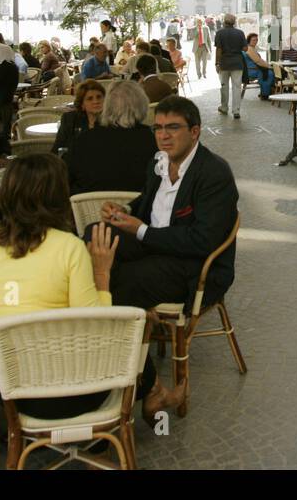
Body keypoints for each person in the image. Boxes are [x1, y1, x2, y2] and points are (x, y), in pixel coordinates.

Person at [0, 153, 181, 423]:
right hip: (78, 391)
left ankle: (153, 393)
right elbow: (96, 327)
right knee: (132, 330)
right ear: (58, 195)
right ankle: (154, 394)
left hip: (12, 395)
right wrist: (102, 272)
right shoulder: (69, 247)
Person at [90, 96, 239, 343]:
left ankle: (123, 353)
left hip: (193, 264)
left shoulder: (213, 173)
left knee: (124, 279)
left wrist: (141, 231)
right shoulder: (159, 162)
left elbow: (203, 241)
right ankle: (129, 324)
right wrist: (124, 209)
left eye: (172, 127)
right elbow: (148, 200)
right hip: (155, 245)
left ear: (194, 132)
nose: (163, 135)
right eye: (158, 128)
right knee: (96, 235)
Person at [67, 81, 158, 194]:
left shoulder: (83, 140)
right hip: (139, 209)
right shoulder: (153, 139)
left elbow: (68, 179)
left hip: (89, 209)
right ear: (142, 105)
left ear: (107, 106)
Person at [52, 79, 105, 157]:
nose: (96, 101)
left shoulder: (112, 121)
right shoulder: (70, 119)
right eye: (90, 98)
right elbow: (57, 149)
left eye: (99, 97)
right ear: (82, 105)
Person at [214, 13, 248, 120]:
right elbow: (245, 49)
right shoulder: (240, 33)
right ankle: (236, 110)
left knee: (224, 86)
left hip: (224, 63)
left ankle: (224, 107)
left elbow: (218, 49)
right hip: (237, 63)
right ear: (234, 22)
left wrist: (217, 63)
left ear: (224, 21)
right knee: (237, 87)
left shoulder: (219, 33)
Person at [242, 33, 275, 100]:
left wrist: (267, 65)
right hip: (251, 71)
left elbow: (259, 60)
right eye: (253, 40)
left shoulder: (251, 48)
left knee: (268, 71)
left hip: (253, 69)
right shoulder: (249, 49)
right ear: (249, 40)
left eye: (256, 40)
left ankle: (265, 92)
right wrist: (269, 66)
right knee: (269, 73)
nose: (255, 41)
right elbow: (258, 61)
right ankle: (265, 94)